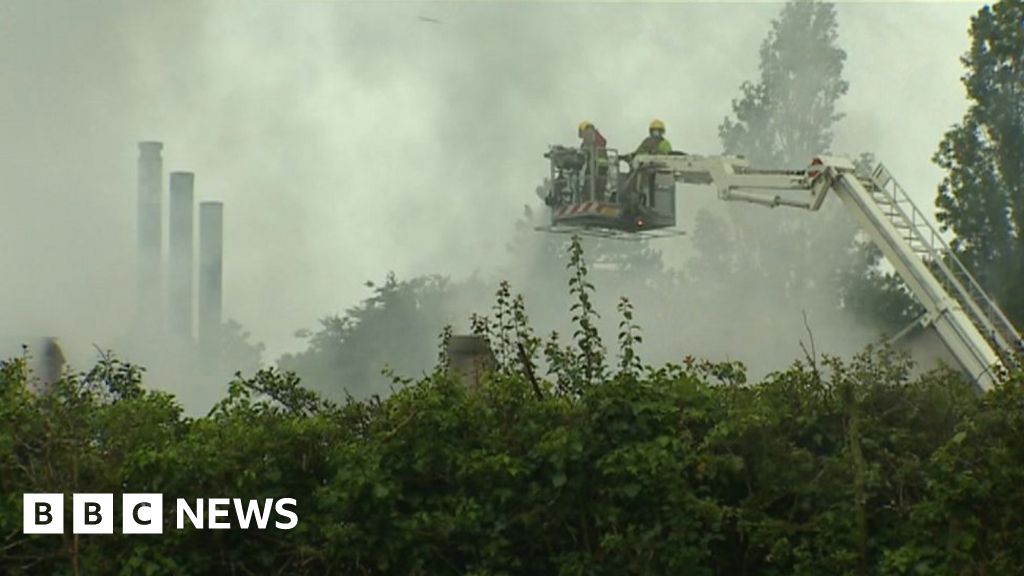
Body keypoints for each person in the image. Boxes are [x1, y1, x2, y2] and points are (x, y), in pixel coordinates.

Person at [577, 121, 609, 201]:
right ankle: (600, 200)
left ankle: (588, 199)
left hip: (594, 164)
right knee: (600, 187)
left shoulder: (589, 133)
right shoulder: (596, 135)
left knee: (589, 183)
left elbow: (585, 147)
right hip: (603, 166)